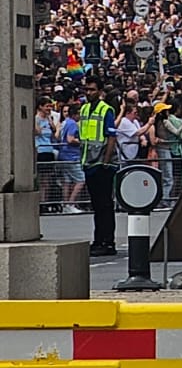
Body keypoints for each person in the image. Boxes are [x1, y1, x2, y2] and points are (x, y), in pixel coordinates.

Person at [80, 77, 118, 257]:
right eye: (87, 89)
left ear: (100, 91)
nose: (88, 93)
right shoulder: (85, 109)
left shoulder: (106, 110)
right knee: (97, 205)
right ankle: (98, 240)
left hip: (102, 164)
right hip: (89, 163)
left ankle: (108, 242)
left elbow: (111, 136)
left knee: (105, 205)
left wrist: (106, 160)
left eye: (92, 89)